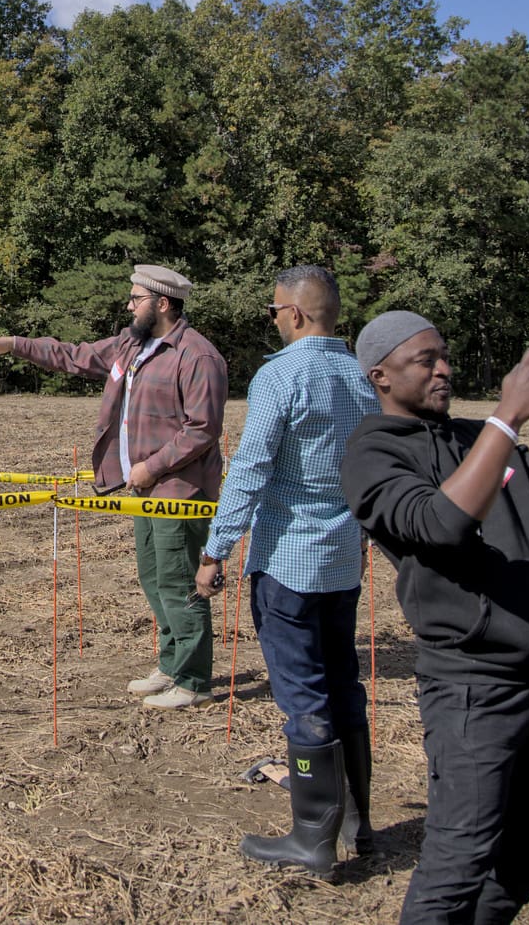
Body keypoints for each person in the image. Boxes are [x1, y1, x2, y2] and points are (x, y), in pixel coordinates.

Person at [340, 313, 529, 925]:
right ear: (380, 375)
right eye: (425, 360)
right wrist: (506, 418)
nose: (444, 369)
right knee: (458, 864)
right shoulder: (371, 453)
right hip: (474, 688)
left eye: (445, 356)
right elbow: (441, 524)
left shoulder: (472, 436)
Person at [0, 265, 229, 709]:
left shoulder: (197, 356)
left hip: (180, 492)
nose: (129, 306)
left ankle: (193, 681)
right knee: (154, 578)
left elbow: (202, 429)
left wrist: (151, 467)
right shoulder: (132, 345)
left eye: (136, 298)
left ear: (162, 304)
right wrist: (11, 345)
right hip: (145, 489)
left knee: (179, 581)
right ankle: (171, 665)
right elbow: (73, 355)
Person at [192, 265, 379, 876]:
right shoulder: (362, 376)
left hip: (287, 562)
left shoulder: (281, 376)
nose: (272, 319)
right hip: (343, 557)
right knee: (344, 683)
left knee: (302, 696)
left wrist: (215, 547)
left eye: (274, 310)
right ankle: (357, 821)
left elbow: (250, 469)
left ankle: (312, 837)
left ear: (295, 314)